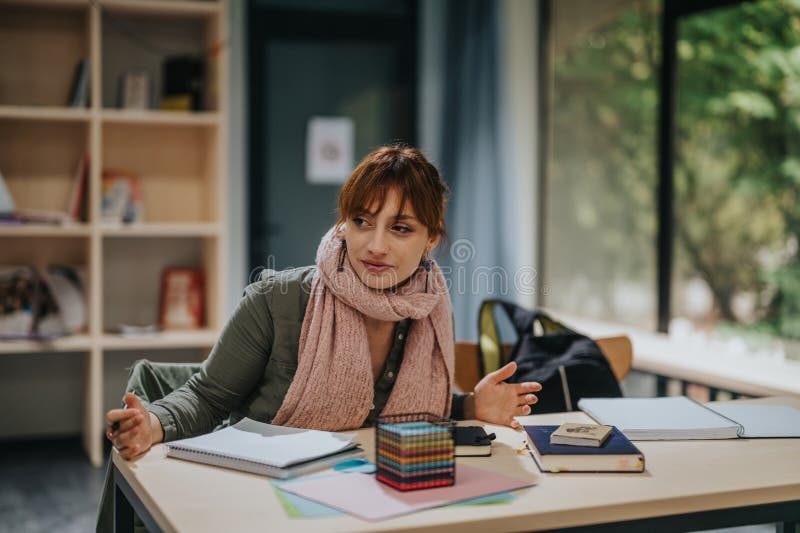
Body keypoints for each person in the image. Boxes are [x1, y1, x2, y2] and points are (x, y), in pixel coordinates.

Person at [105, 144, 542, 459]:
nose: (375, 245)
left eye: (401, 228)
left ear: (432, 238)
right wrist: (154, 426)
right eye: (362, 221)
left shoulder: (429, 309)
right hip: (263, 494)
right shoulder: (276, 299)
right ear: (343, 223)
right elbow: (206, 398)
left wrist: (470, 406)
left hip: (372, 497)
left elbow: (416, 408)